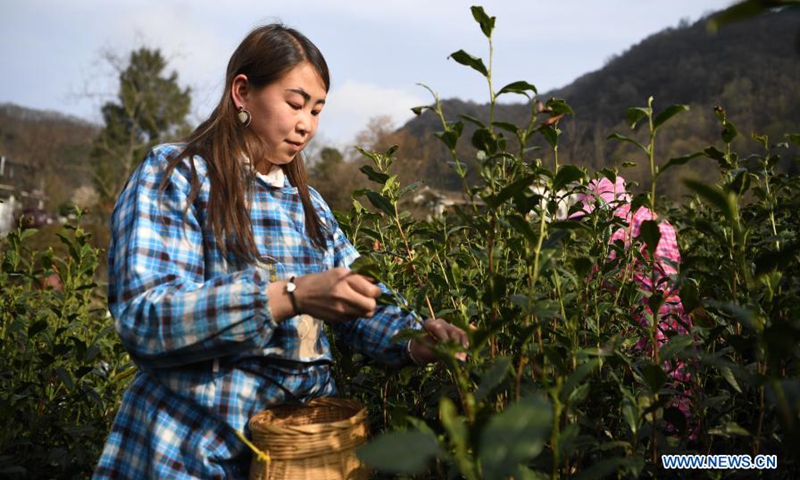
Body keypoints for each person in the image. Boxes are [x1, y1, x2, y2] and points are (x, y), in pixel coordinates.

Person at [93, 24, 468, 479]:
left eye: (317, 109)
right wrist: (290, 295)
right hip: (190, 450)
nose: (306, 124)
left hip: (300, 455)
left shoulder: (307, 205)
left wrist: (416, 338)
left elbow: (362, 296)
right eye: (295, 103)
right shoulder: (178, 176)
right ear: (243, 92)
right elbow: (146, 318)